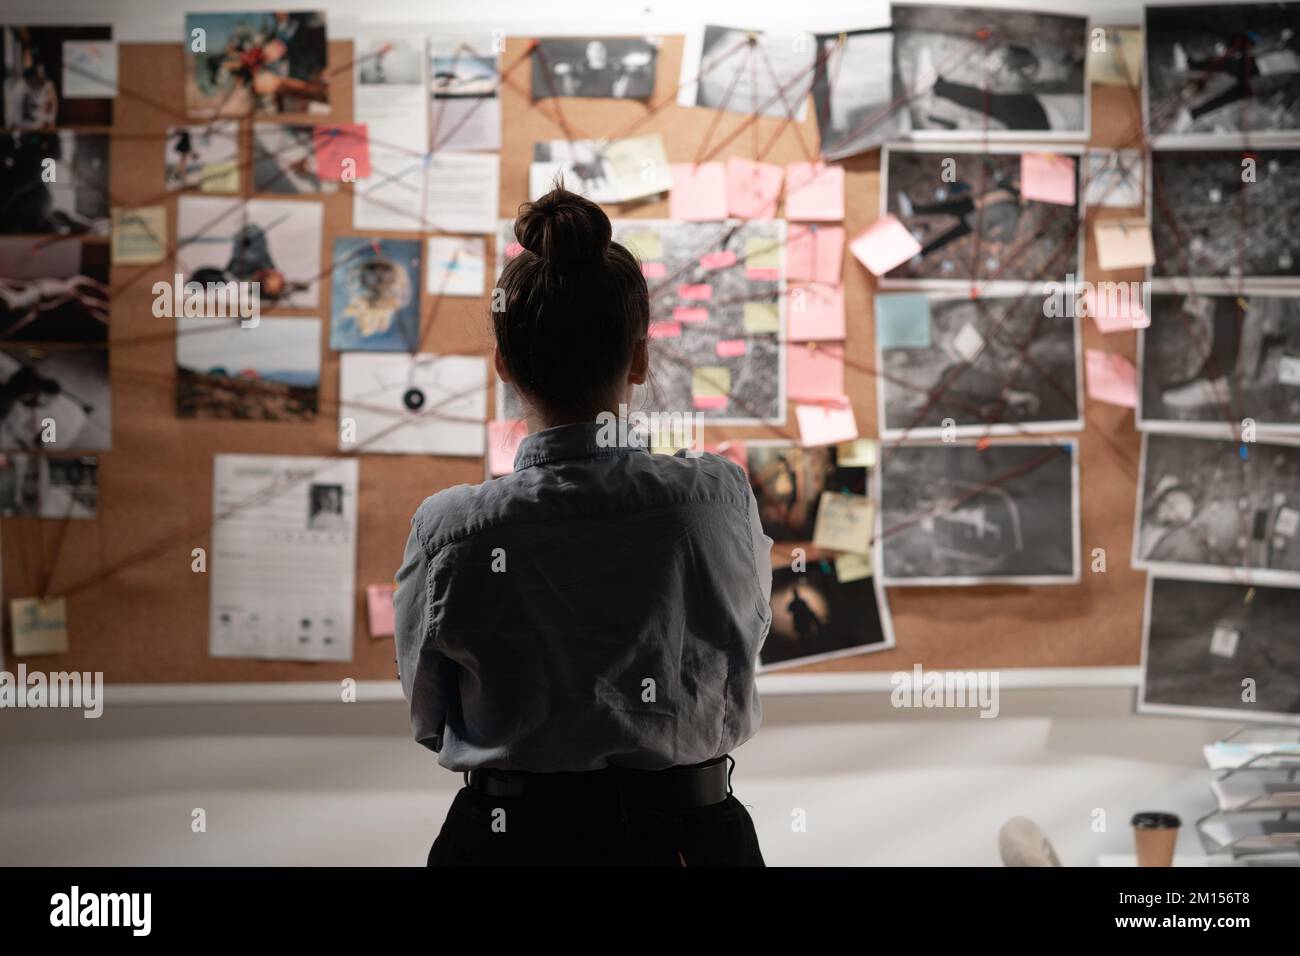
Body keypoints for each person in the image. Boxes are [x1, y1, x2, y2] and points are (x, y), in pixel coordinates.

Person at [395, 185, 773, 867]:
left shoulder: (448, 528)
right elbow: (740, 652)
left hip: (511, 847)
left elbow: (430, 718)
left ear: (504, 365)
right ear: (638, 359)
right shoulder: (715, 497)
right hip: (690, 842)